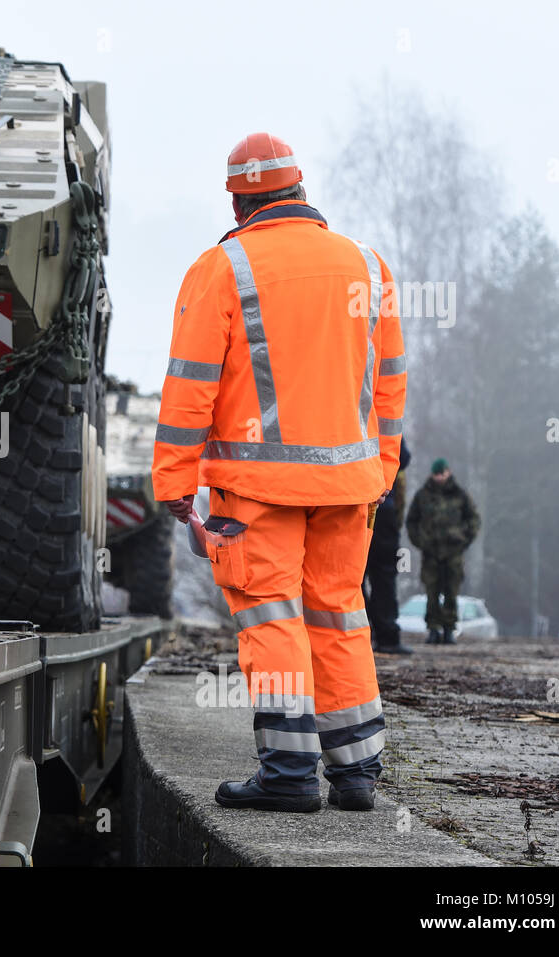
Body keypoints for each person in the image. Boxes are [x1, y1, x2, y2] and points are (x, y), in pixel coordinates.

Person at [154, 132, 406, 813]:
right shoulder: (367, 266)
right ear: (300, 189)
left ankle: (290, 774)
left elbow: (190, 388)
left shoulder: (221, 269)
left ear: (238, 201)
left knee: (273, 617)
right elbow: (389, 385)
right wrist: (380, 468)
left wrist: (174, 485)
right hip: (350, 487)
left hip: (257, 490)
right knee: (340, 613)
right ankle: (355, 772)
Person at [405, 459, 481, 644]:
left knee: (451, 590)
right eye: (436, 474)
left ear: (448, 472)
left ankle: (449, 628)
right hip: (430, 551)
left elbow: (474, 519)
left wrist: (464, 539)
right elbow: (411, 521)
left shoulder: (460, 494)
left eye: (442, 473)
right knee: (431, 590)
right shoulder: (423, 495)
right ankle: (432, 629)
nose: (439, 477)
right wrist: (420, 541)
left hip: (453, 551)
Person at [365, 440, 413, 654]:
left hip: (348, 500)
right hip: (382, 502)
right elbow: (402, 456)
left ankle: (361, 633)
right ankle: (386, 635)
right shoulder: (382, 412)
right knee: (384, 574)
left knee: (350, 576)